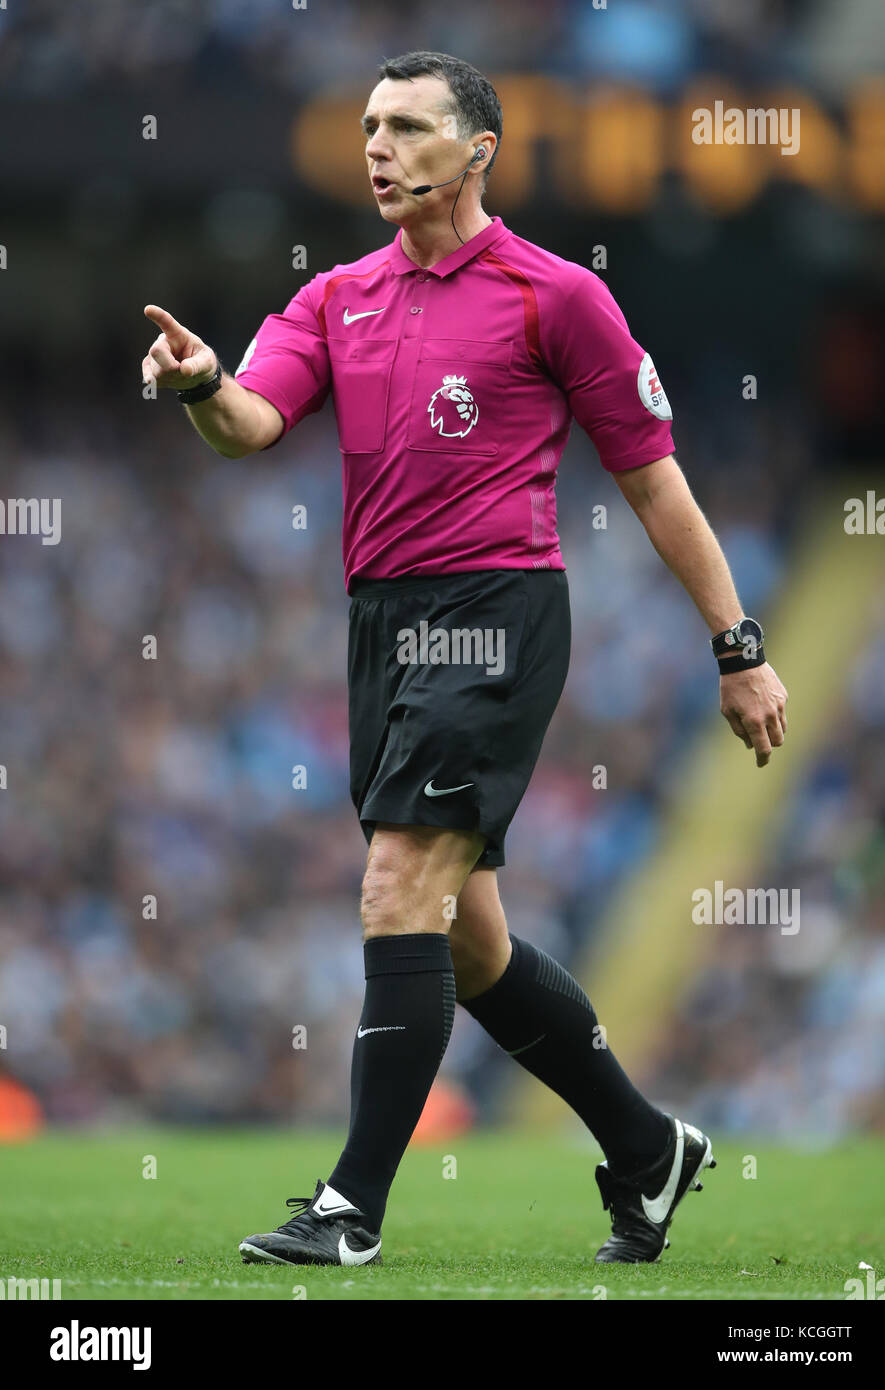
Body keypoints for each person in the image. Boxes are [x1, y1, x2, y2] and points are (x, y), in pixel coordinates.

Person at [140, 50, 787, 1268]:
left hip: (494, 613)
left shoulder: (555, 297)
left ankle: (348, 1209)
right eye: (369, 127)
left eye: (407, 128)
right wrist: (201, 382)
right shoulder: (336, 295)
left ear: (477, 148)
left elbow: (652, 481)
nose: (377, 148)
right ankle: (648, 1150)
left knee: (395, 885)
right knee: (465, 937)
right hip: (379, 623)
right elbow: (253, 426)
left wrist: (735, 645)